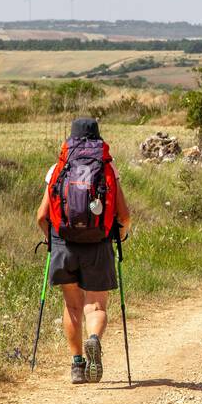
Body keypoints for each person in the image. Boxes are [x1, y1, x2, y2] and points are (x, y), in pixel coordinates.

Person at [35, 117, 131, 384]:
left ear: (71, 138)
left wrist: (51, 240)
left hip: (64, 244)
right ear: (98, 138)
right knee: (96, 305)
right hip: (98, 244)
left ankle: (77, 365)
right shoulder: (107, 168)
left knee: (73, 305)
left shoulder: (58, 168)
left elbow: (42, 215)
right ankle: (93, 339)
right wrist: (119, 236)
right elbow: (124, 215)